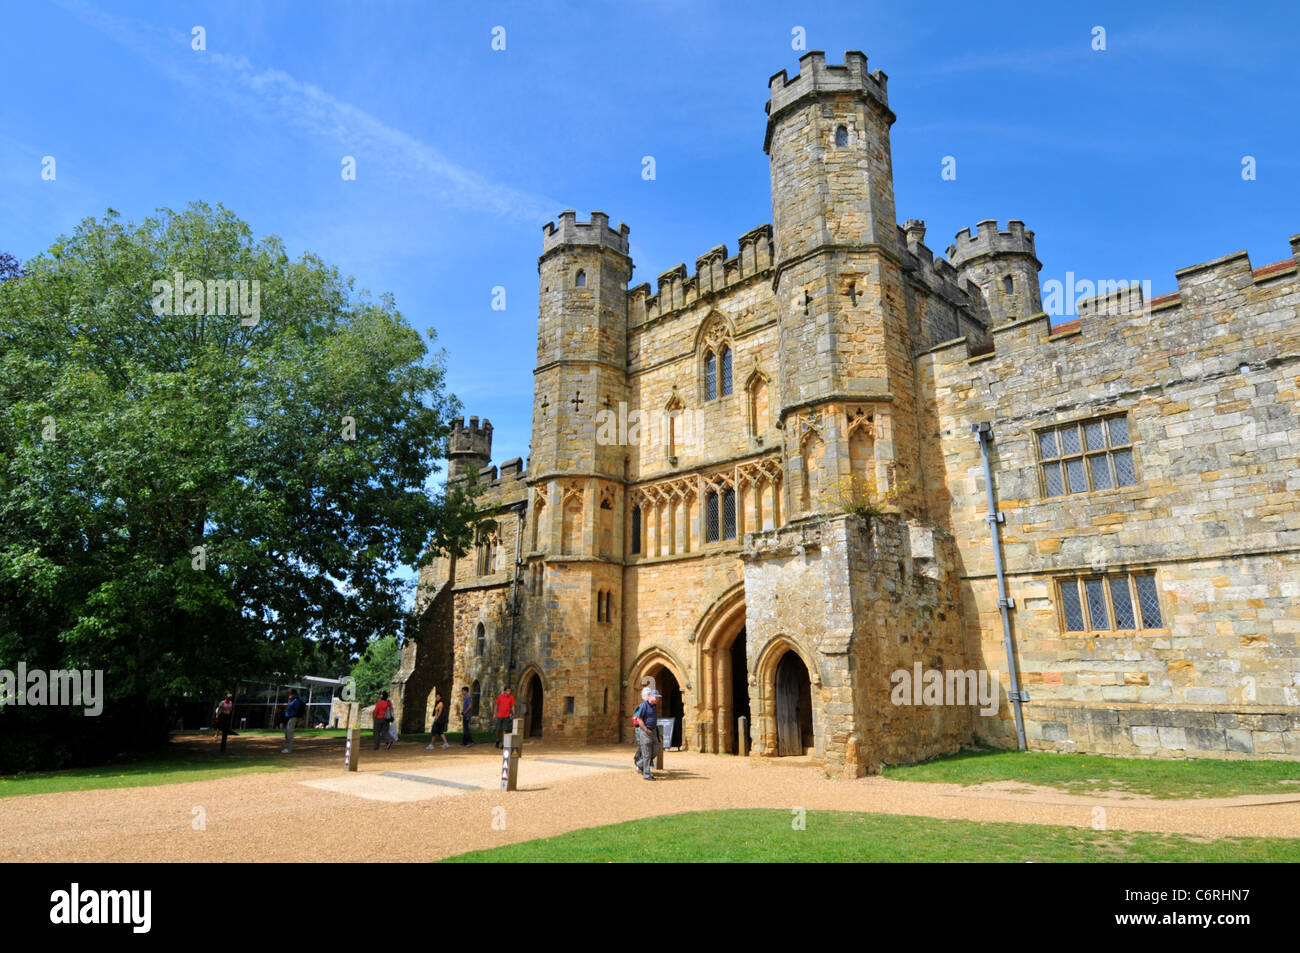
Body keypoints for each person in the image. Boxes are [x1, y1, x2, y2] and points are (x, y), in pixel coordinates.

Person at [632, 687, 660, 780]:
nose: (658, 699)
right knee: (647, 754)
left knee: (655, 751)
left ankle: (640, 765)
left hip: (653, 731)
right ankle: (647, 774)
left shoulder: (654, 705)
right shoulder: (644, 705)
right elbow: (639, 719)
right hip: (645, 732)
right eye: (657, 697)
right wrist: (646, 729)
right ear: (652, 697)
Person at [281, 689, 303, 754]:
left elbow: (288, 707)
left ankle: (289, 749)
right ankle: (288, 748)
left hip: (293, 718)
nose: (289, 695)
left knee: (289, 733)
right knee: (287, 733)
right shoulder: (294, 700)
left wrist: (287, 702)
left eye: (290, 694)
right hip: (290, 718)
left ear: (293, 694)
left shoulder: (295, 700)